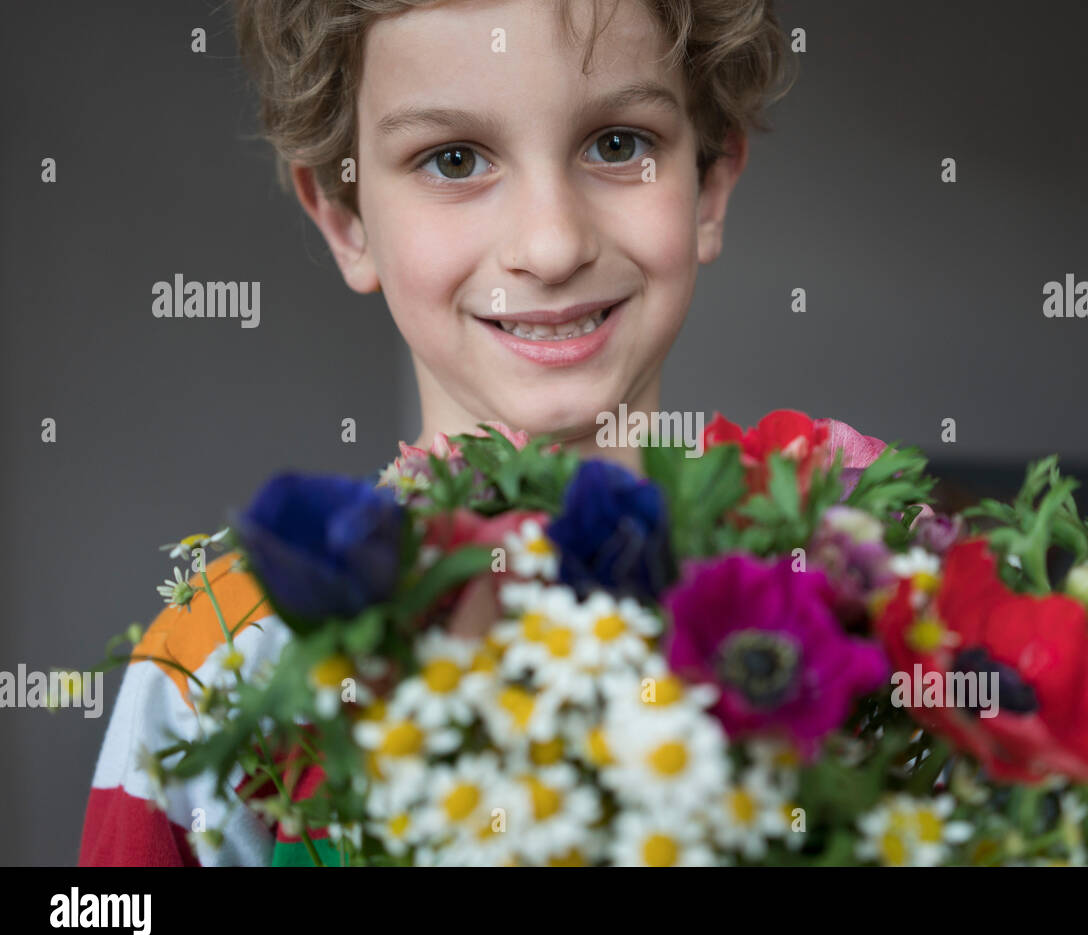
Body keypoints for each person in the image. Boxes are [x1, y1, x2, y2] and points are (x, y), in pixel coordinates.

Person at [78, 0, 887, 865]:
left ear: (710, 182)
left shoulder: (863, 595)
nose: (549, 245)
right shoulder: (224, 657)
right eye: (453, 159)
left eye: (618, 143)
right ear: (347, 219)